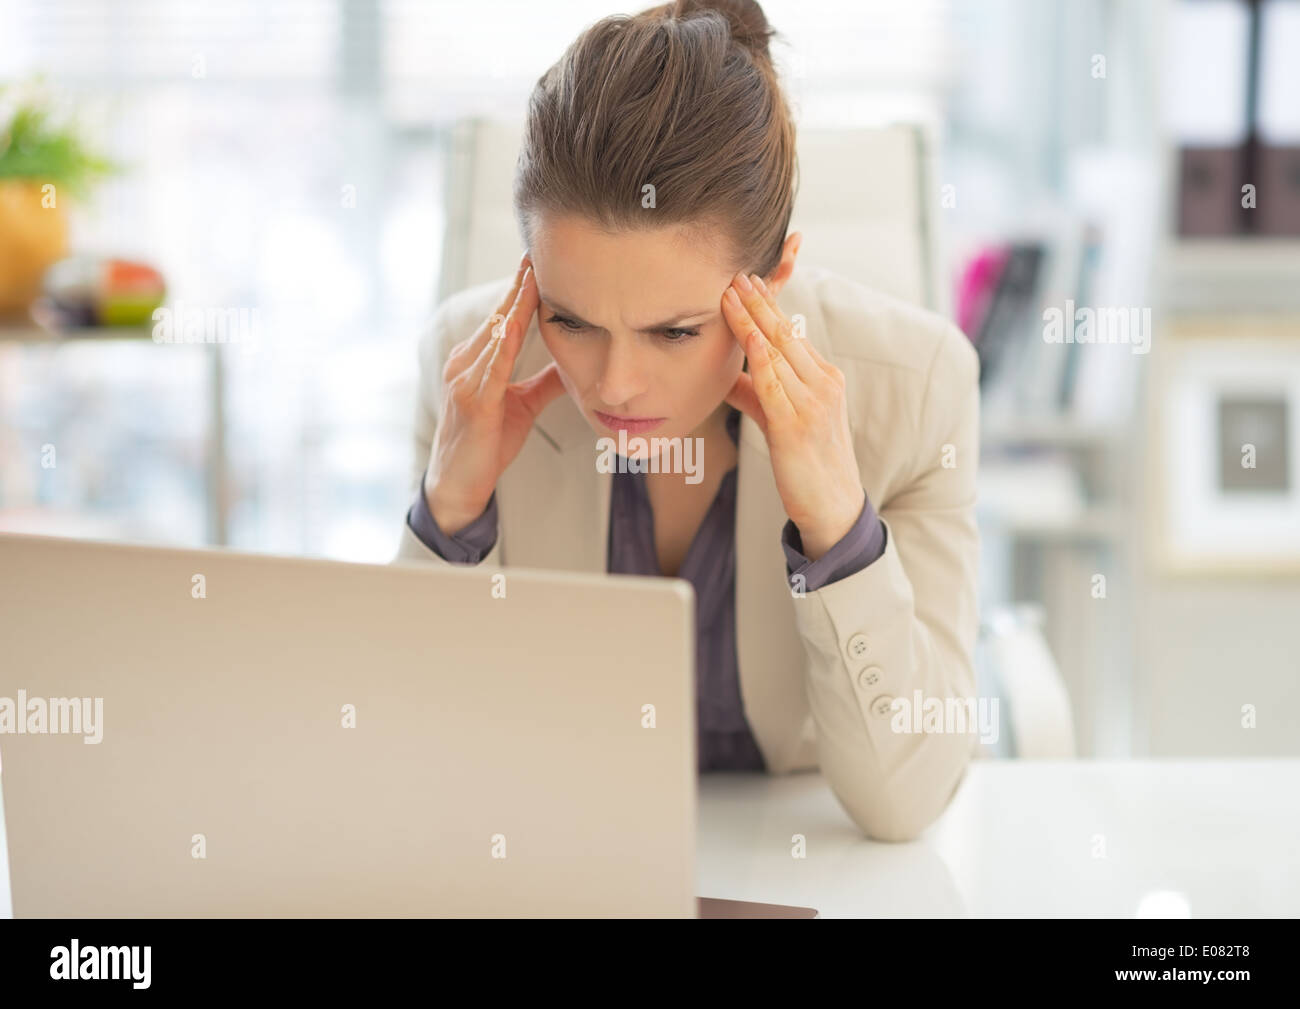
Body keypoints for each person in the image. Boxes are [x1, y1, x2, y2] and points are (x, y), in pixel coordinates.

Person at [395, 0, 981, 842]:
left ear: (775, 274)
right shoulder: (471, 367)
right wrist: (450, 514)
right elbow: (415, 762)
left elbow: (904, 801)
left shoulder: (919, 386)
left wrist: (839, 528)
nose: (616, 385)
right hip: (563, 857)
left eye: (674, 331)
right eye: (571, 320)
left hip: (801, 869)